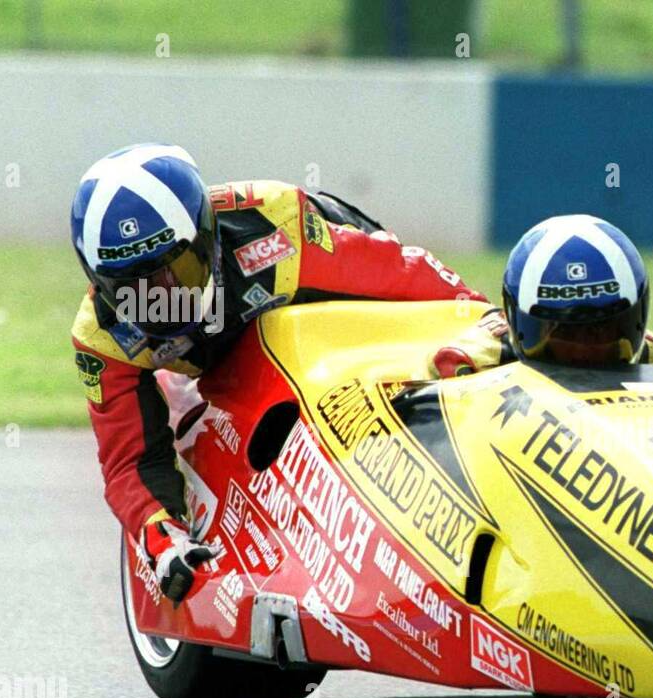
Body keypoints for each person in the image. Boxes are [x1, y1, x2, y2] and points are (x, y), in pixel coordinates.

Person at [70, 143, 492, 603]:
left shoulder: (275, 227)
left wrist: (480, 333)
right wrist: (161, 538)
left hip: (327, 295)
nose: (162, 300)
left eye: (178, 273)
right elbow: (128, 461)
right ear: (99, 283)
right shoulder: (102, 335)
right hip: (225, 365)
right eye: (132, 289)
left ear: (206, 238)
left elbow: (421, 285)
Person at [427, 214, 653, 378]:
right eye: (566, 332)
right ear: (517, 322)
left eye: (600, 329)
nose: (584, 351)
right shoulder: (467, 363)